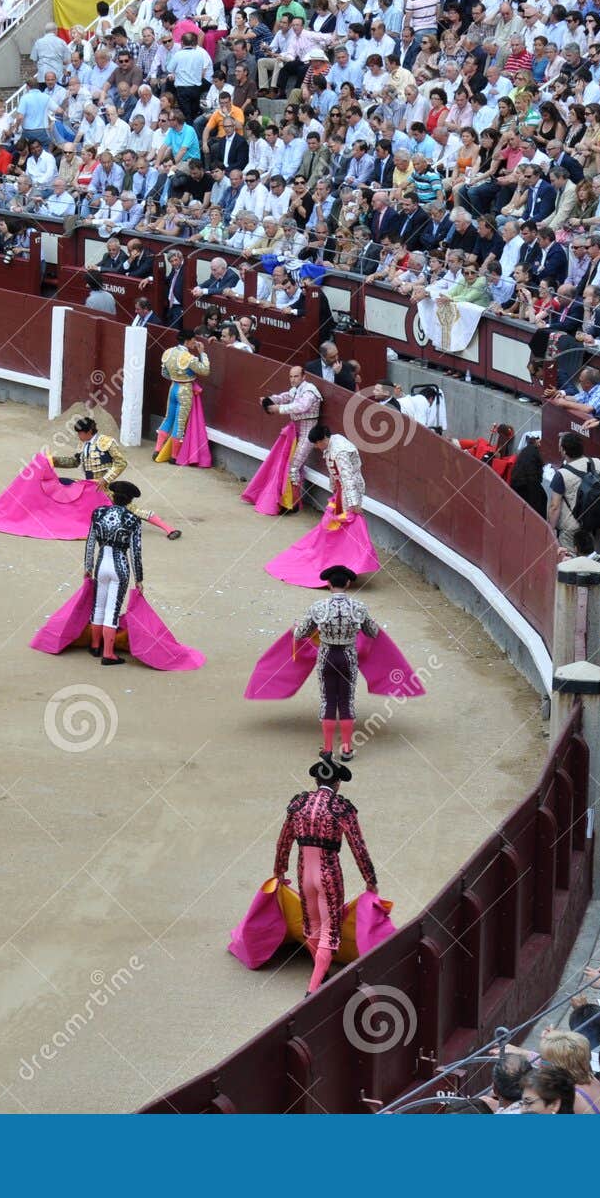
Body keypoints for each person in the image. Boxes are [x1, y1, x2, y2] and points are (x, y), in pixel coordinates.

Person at [273, 755, 377, 995]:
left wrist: (279, 871)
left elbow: (284, 842)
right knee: (330, 931)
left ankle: (320, 972)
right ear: (338, 783)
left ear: (317, 779)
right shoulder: (341, 808)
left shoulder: (299, 804)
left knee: (312, 927)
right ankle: (313, 990)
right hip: (328, 874)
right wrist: (370, 879)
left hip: (303, 873)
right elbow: (358, 847)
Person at [293, 565, 381, 762]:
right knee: (346, 700)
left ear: (328, 583)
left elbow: (300, 635)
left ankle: (327, 750)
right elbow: (373, 633)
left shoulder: (318, 607)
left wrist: (296, 628)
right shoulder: (359, 607)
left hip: (327, 657)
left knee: (328, 700)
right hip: (348, 657)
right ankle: (347, 750)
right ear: (348, 583)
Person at [49, 418, 181, 538]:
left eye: (80, 433)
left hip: (103, 488)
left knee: (132, 509)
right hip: (89, 486)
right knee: (63, 487)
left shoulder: (106, 442)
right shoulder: (83, 445)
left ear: (89, 431)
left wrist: (105, 479)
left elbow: (121, 462)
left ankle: (169, 529)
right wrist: (53, 461)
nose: (78, 436)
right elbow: (74, 462)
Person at [83, 482, 147, 666]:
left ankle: (95, 645)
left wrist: (88, 567)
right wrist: (139, 579)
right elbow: (136, 552)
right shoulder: (133, 520)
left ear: (113, 496)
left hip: (101, 566)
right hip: (120, 568)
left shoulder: (99, 513)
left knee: (98, 606)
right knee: (112, 609)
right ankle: (108, 654)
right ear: (130, 501)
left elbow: (90, 543)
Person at [259, 366, 323, 513]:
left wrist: (279, 409)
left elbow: (301, 406)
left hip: (308, 431)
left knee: (294, 466)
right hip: (296, 431)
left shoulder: (309, 391)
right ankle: (289, 501)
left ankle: (292, 504)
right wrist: (269, 400)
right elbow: (284, 396)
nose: (293, 379)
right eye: (291, 377)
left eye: (296, 376)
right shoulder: (296, 389)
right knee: (291, 464)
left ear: (304, 376)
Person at [155, 334, 210, 464]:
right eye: (193, 340)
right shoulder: (189, 358)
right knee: (179, 423)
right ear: (187, 340)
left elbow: (164, 373)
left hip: (173, 387)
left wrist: (176, 377)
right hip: (184, 390)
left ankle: (157, 450)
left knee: (168, 418)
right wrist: (203, 353)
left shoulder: (168, 352)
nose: (195, 342)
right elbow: (205, 370)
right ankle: (174, 457)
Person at [311, 424, 364, 520]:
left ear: (321, 440)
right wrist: (334, 488)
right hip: (341, 487)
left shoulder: (340, 452)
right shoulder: (333, 440)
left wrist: (354, 503)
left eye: (316, 443)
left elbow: (348, 477)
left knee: (347, 518)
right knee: (341, 516)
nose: (315, 447)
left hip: (351, 488)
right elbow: (334, 471)